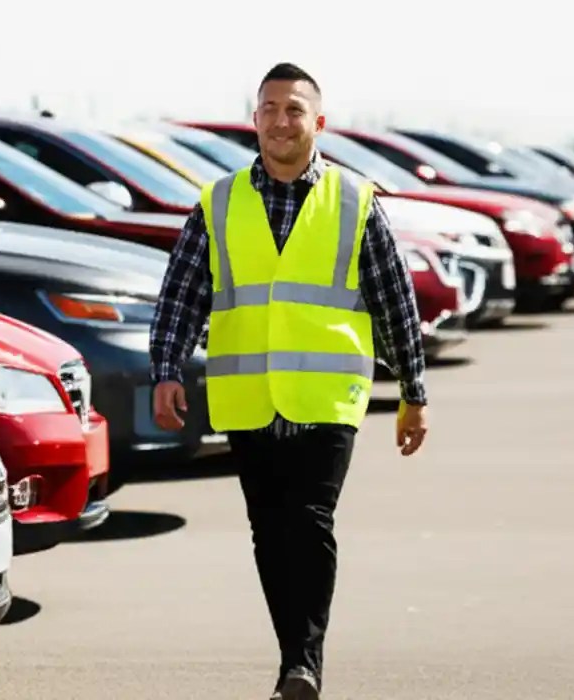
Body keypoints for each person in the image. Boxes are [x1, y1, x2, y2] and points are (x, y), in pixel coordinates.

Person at [149, 62, 430, 700]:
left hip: (327, 396)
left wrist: (414, 393)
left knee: (309, 520)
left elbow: (394, 303)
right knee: (269, 530)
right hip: (247, 395)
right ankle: (293, 655)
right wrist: (166, 370)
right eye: (270, 109)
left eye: (294, 110)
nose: (281, 120)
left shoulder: (355, 201)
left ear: (318, 122)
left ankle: (302, 663)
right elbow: (181, 296)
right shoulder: (218, 203)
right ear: (255, 120)